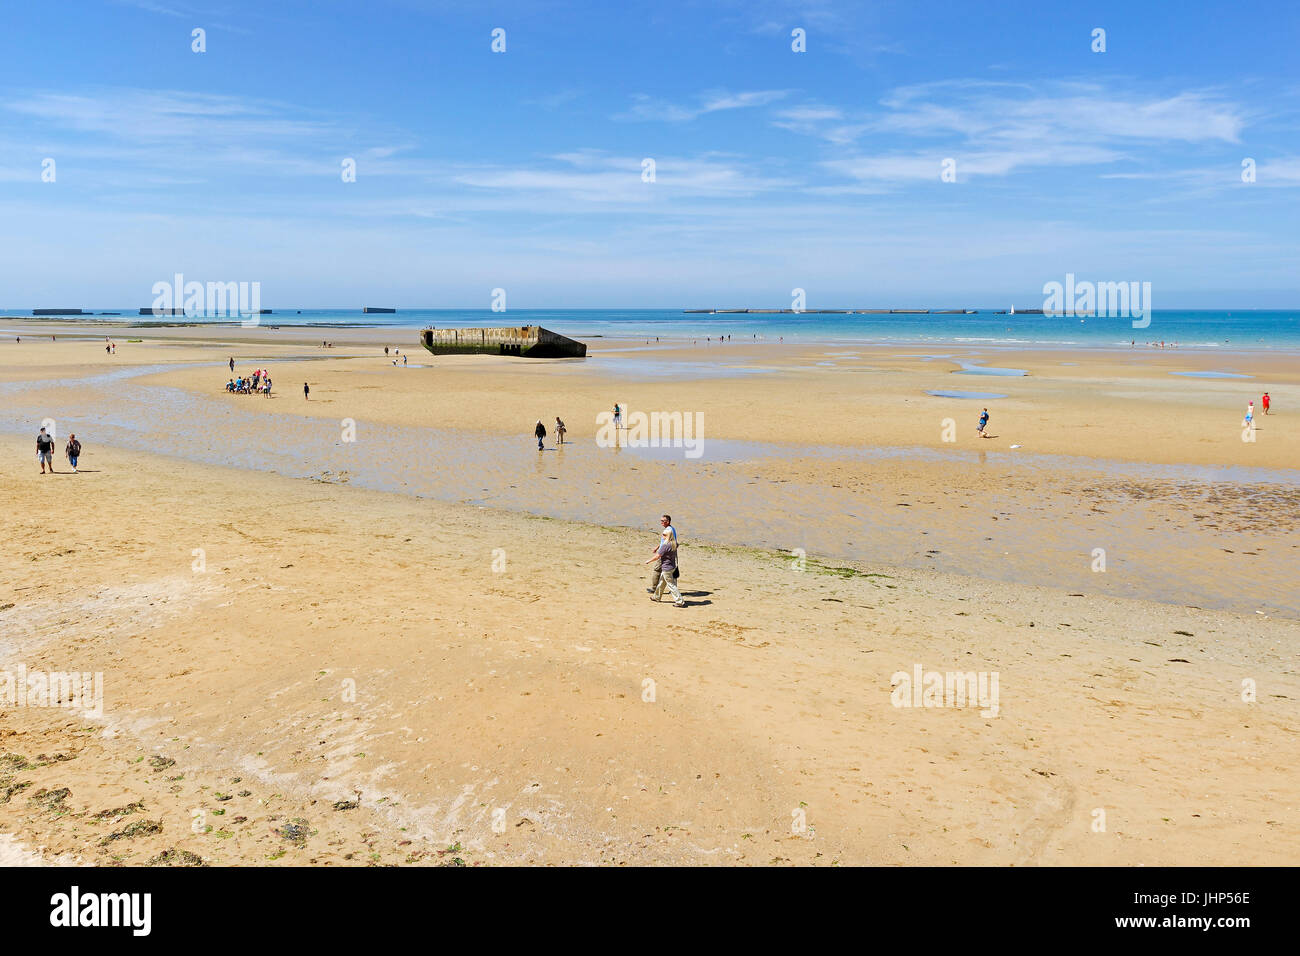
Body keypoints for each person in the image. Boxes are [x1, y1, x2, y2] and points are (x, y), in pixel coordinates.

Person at [645, 525, 684, 607]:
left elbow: (657, 556)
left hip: (667, 568)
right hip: (672, 567)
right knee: (662, 582)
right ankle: (656, 597)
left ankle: (679, 601)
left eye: (664, 535)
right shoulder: (674, 544)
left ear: (668, 536)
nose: (662, 536)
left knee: (671, 585)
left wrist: (649, 561)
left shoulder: (665, 546)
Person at [647, 514, 678, 592]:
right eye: (660, 520)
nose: (661, 522)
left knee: (657, 570)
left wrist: (662, 552)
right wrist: (657, 547)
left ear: (667, 521)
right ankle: (672, 588)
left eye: (662, 521)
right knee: (671, 570)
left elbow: (670, 542)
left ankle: (654, 588)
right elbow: (666, 541)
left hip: (664, 553)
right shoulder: (670, 529)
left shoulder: (669, 530)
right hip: (667, 551)